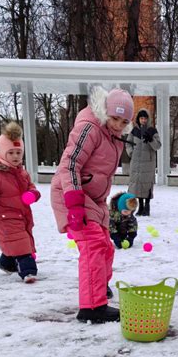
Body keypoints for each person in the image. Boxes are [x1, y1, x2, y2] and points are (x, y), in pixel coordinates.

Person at [51, 86, 134, 323]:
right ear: (105, 111)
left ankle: (98, 287)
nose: (118, 124)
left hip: (94, 200)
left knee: (106, 248)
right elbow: (70, 164)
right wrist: (75, 204)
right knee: (94, 246)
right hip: (71, 194)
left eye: (124, 120)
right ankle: (92, 307)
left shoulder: (114, 136)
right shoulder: (90, 128)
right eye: (114, 118)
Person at [0, 122, 40, 282]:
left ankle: (6, 261)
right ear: (3, 154)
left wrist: (32, 194)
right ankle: (28, 272)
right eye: (11, 152)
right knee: (22, 243)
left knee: (17, 241)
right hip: (4, 216)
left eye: (18, 152)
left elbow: (31, 186)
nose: (16, 156)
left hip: (22, 215)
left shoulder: (22, 173)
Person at [126, 109, 161, 216]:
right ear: (138, 119)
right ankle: (140, 206)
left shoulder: (152, 131)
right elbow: (128, 143)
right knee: (137, 184)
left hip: (148, 163)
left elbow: (157, 146)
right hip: (136, 162)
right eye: (141, 118)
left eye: (145, 118)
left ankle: (147, 206)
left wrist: (150, 139)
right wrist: (131, 153)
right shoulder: (134, 131)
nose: (143, 120)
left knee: (147, 184)